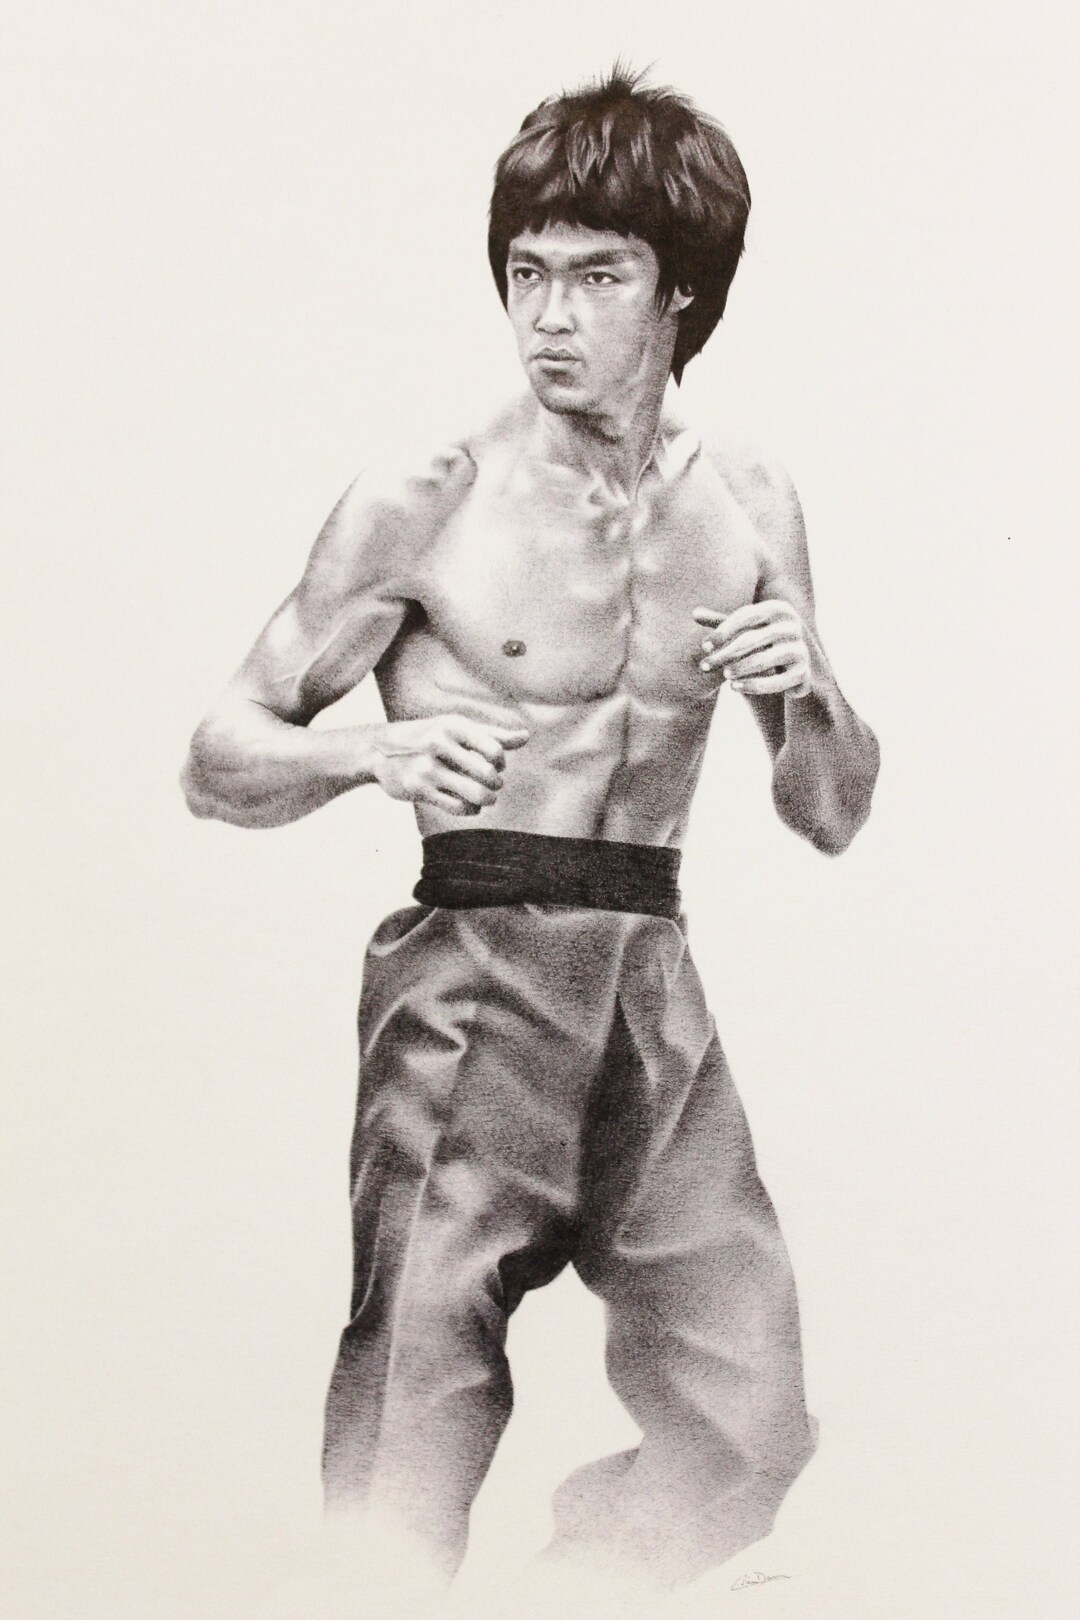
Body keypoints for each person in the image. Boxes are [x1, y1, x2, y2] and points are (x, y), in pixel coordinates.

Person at [182, 67, 879, 1591]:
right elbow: (217, 756)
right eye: (527, 273)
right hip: (473, 968)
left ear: (680, 291)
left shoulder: (750, 496)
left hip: (651, 979)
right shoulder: (430, 494)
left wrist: (811, 686)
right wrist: (369, 754)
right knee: (411, 1417)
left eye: (597, 276)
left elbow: (828, 810)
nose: (550, 316)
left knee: (749, 1419)